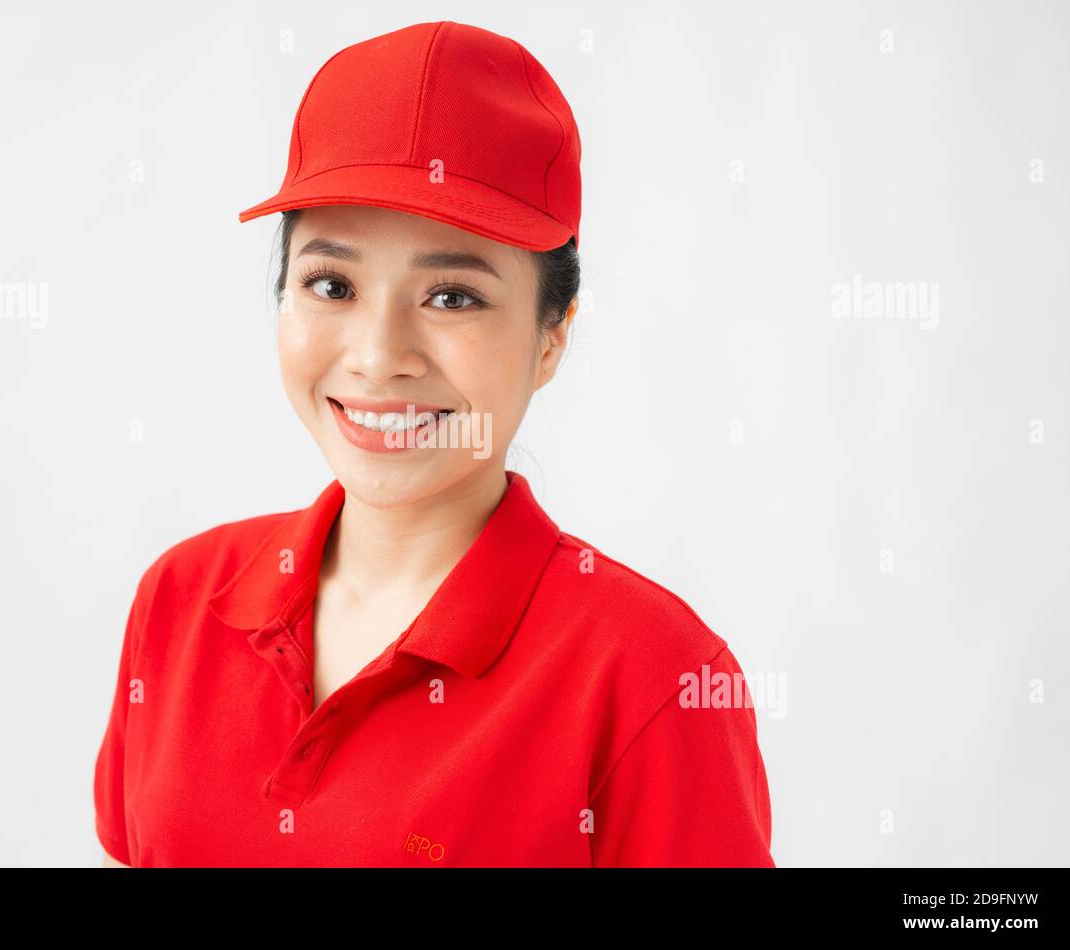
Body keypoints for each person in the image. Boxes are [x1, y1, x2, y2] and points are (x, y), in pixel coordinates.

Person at [94, 19, 773, 867]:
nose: (379, 355)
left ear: (552, 335)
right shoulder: (181, 601)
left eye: (452, 296)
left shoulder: (655, 681)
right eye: (331, 283)